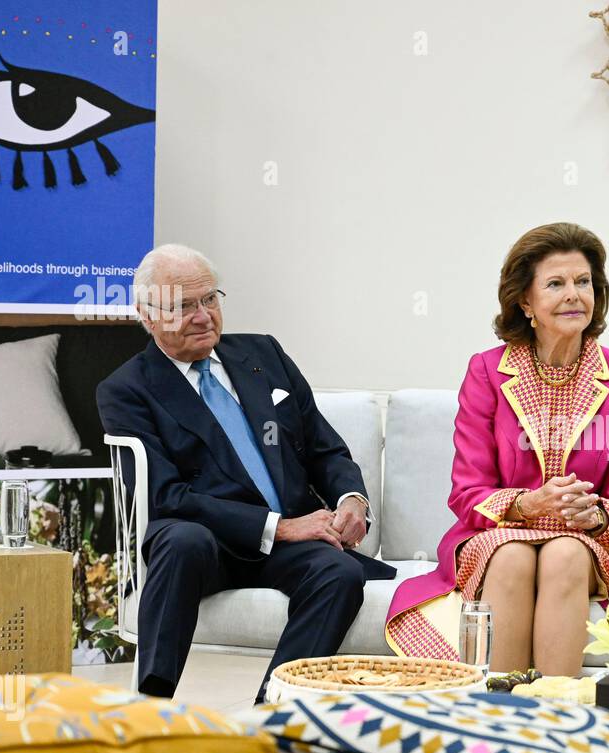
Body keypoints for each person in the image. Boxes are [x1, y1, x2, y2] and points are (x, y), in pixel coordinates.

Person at [97, 243, 394, 703]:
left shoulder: (264, 354)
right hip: (207, 542)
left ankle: (271, 710)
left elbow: (324, 447)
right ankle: (150, 705)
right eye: (183, 307)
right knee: (179, 538)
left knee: (337, 571)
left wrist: (351, 499)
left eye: (210, 299)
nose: (202, 316)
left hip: (286, 544)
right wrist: (281, 527)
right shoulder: (126, 389)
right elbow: (165, 496)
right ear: (146, 314)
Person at [385, 223, 609, 675]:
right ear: (525, 301)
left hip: (583, 540)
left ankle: (558, 713)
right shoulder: (487, 372)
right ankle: (499, 714)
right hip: (500, 533)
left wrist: (597, 516)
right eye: (556, 284)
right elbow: (467, 492)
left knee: (564, 553)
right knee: (511, 554)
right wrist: (528, 504)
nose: (573, 294)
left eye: (583, 282)